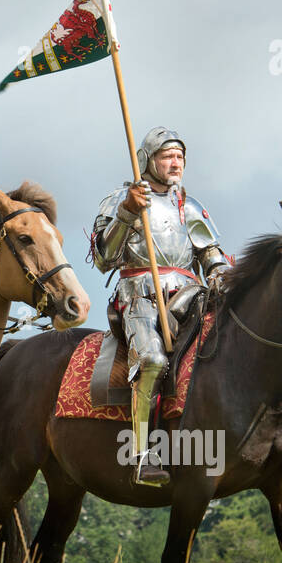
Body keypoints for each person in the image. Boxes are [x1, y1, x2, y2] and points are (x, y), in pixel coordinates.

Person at [91, 127, 229, 486]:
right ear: (147, 161)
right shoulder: (121, 198)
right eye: (167, 156)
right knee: (152, 361)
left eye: (180, 157)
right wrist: (125, 214)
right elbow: (104, 258)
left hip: (189, 297)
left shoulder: (191, 206)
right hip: (139, 296)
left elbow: (211, 256)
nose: (175, 163)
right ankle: (141, 455)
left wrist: (222, 275)